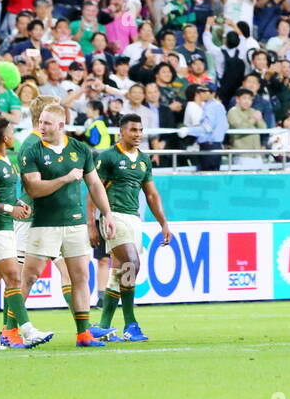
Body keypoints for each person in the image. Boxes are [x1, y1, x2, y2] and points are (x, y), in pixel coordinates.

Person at [17, 102, 117, 348]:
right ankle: (10, 330)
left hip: (74, 224)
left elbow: (94, 185)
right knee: (29, 276)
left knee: (80, 276)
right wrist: (65, 179)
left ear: (61, 125)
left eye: (47, 123)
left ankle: (83, 334)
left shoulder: (80, 149)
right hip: (43, 223)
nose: (41, 126)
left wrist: (107, 213)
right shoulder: (32, 150)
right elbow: (33, 188)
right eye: (40, 122)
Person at [0, 117, 52, 350]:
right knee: (14, 277)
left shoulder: (7, 161)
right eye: (12, 131)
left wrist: (17, 203)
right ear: (5, 138)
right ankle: (27, 330)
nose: (14, 135)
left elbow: (2, 193)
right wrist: (8, 209)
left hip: (3, 226)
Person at [92, 114, 173, 342]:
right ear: (121, 132)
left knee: (120, 271)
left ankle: (103, 326)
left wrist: (163, 222)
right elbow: (95, 189)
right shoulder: (108, 157)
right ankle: (130, 323)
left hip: (133, 218)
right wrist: (92, 221)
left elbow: (151, 194)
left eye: (140, 130)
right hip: (112, 215)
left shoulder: (143, 160)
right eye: (133, 130)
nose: (137, 134)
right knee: (132, 264)